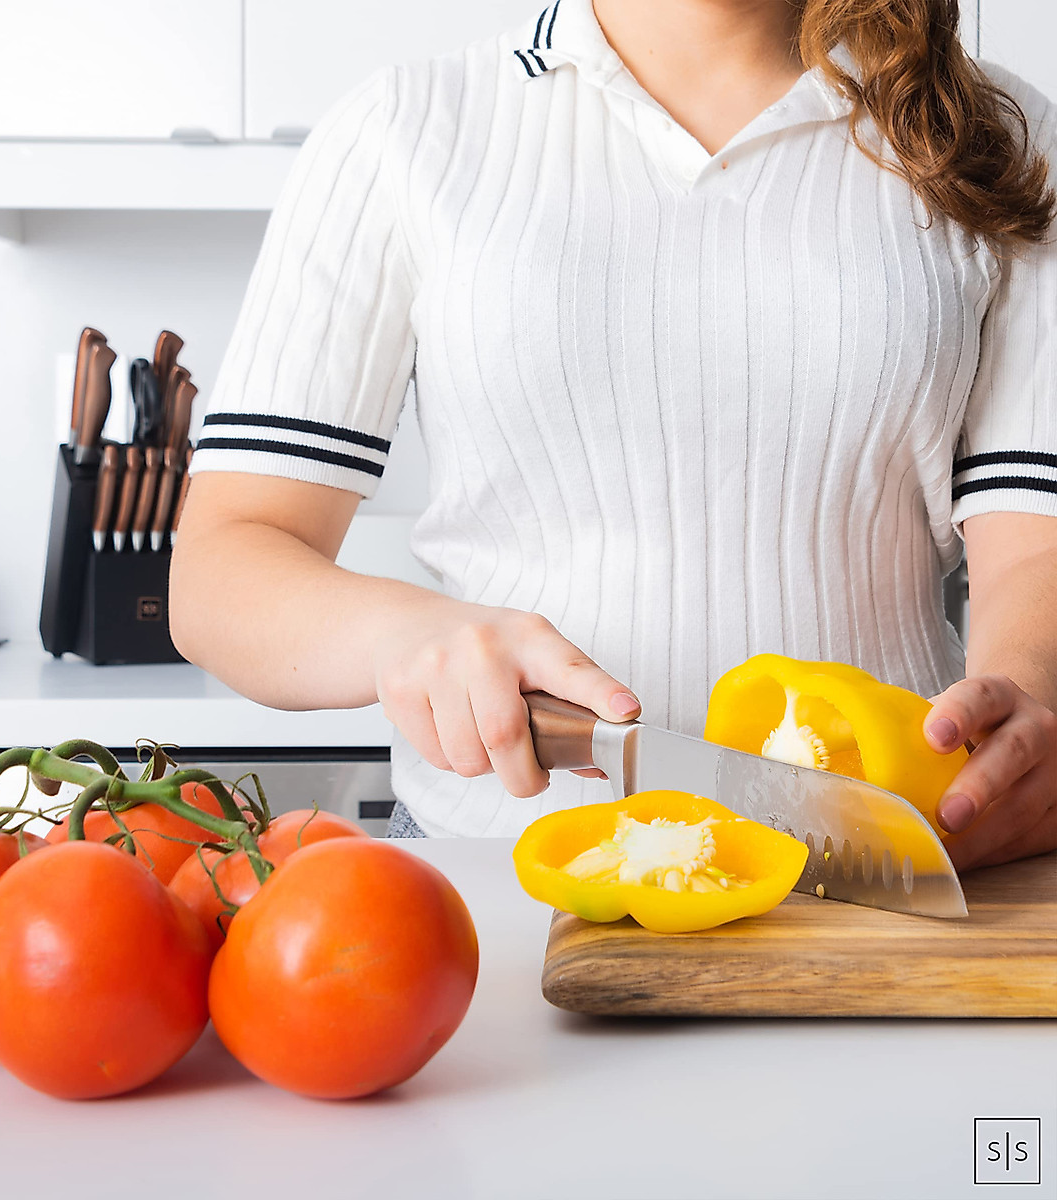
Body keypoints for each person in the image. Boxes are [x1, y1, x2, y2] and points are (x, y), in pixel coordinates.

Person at [169, 0, 1057, 870]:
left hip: (875, 861)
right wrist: (401, 632)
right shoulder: (406, 127)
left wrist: (1012, 720)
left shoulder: (1000, 138)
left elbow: (1032, 555)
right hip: (492, 873)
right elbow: (224, 568)